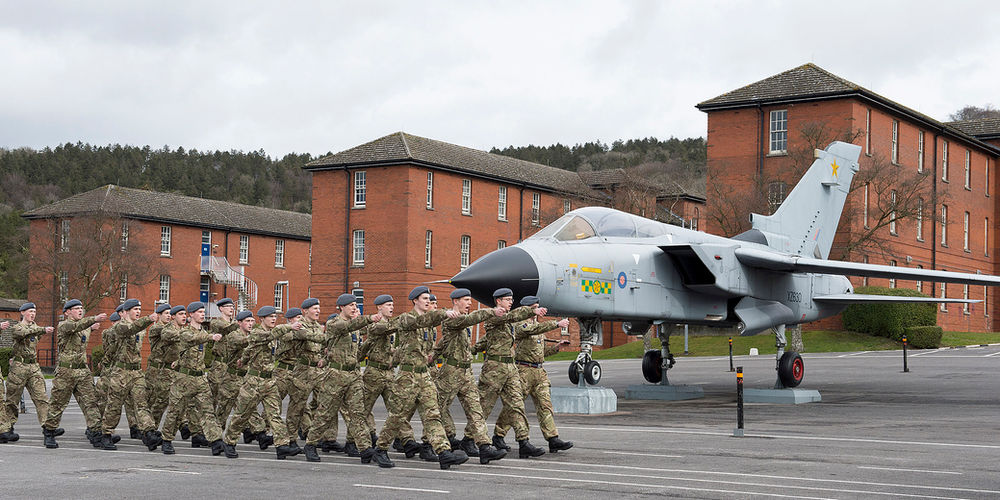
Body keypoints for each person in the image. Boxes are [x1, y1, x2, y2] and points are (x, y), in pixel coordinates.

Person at [372, 286, 466, 469]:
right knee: (398, 416)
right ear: (415, 300)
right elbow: (426, 319)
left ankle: (443, 452)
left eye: (429, 299)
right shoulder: (407, 318)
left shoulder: (428, 323)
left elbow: (429, 321)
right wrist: (445, 313)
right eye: (424, 298)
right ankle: (380, 449)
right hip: (408, 376)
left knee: (433, 415)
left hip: (424, 375)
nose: (427, 301)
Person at [302, 294, 381, 463]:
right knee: (325, 413)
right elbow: (348, 326)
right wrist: (369, 318)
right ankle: (310, 444)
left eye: (356, 305)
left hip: (353, 375)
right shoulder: (334, 323)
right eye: (351, 305)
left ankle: (365, 448)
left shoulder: (356, 327)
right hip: (335, 376)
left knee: (358, 413)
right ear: (341, 307)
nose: (354, 308)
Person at [433, 288, 507, 463]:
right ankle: (436, 442)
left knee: (476, 410)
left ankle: (484, 446)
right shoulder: (450, 319)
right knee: (438, 408)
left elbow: (446, 342)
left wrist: (435, 352)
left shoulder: (463, 323)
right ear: (456, 301)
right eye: (466, 300)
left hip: (466, 372)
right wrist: (491, 311)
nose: (469, 303)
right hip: (451, 372)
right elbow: (472, 318)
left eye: (470, 300)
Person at [494, 295, 574, 453]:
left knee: (545, 406)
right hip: (523, 371)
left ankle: (552, 438)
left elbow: (542, 352)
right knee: (514, 407)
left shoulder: (538, 326)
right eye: (533, 308)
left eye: (537, 308)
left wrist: (557, 347)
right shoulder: (520, 324)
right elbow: (530, 330)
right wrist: (556, 324)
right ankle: (499, 435)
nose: (537, 311)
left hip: (539, 371)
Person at [220, 308, 302, 460]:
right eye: (270, 317)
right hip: (253, 382)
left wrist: (243, 360)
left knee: (275, 414)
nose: (273, 319)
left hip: (269, 382)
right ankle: (229, 442)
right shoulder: (258, 333)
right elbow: (267, 336)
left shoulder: (271, 337)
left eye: (275, 316)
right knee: (241, 415)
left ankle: (282, 445)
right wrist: (289, 327)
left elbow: (250, 349)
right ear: (262, 319)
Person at [474, 288, 546, 458]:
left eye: (511, 299)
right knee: (484, 406)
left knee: (517, 404)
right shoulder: (494, 316)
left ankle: (524, 442)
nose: (510, 302)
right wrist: (531, 310)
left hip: (510, 368)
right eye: (507, 299)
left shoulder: (509, 320)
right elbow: (511, 316)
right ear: (498, 301)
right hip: (494, 368)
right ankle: (470, 439)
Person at [158, 302, 224, 455]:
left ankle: (216, 441)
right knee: (175, 411)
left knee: (207, 411)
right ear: (191, 314)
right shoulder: (185, 332)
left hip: (200, 378)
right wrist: (210, 337)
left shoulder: (203, 331)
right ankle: (167, 440)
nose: (202, 314)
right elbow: (193, 338)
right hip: (183, 378)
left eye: (203, 312)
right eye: (199, 312)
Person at [97, 298, 162, 451]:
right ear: (125, 312)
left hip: (136, 371)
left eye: (139, 309)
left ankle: (148, 433)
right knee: (114, 405)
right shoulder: (119, 327)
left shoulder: (140, 328)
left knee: (141, 404)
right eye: (135, 309)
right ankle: (106, 434)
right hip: (120, 372)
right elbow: (129, 330)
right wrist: (148, 319)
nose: (138, 312)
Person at [43, 299, 107, 448]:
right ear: (67, 312)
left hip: (82, 371)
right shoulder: (64, 325)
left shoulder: (84, 326)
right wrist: (94, 320)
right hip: (66, 371)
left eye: (81, 308)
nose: (80, 311)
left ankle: (96, 433)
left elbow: (82, 331)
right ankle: (50, 432)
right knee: (58, 403)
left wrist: (92, 328)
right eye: (76, 308)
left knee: (91, 402)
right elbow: (76, 327)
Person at [0, 303, 54, 444]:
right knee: (12, 400)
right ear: (23, 312)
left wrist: (39, 330)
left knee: (41, 397)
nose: (33, 314)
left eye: (35, 311)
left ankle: (48, 429)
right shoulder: (17, 327)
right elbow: (22, 333)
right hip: (19, 367)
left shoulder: (35, 328)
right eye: (30, 311)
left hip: (33, 366)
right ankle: (8, 428)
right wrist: (42, 329)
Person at [358, 295, 398, 452]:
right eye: (388, 305)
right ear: (379, 307)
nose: (391, 307)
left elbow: (388, 348)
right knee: (364, 408)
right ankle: (354, 439)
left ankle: (404, 439)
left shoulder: (390, 325)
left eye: (392, 304)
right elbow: (382, 330)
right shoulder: (376, 325)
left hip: (389, 373)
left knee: (396, 408)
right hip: (374, 373)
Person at [285, 298, 324, 442]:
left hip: (318, 371)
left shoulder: (319, 327)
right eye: (315, 309)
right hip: (303, 370)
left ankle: (320, 436)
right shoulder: (299, 326)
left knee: (325, 402)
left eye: (319, 309)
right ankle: (290, 439)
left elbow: (321, 350)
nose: (318, 311)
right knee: (297, 406)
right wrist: (329, 337)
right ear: (305, 311)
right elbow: (306, 336)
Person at [146, 303, 173, 427]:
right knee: (151, 399)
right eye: (166, 313)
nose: (169, 316)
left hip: (166, 371)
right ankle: (146, 426)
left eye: (170, 313)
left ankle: (152, 426)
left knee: (163, 400)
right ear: (159, 315)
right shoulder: (155, 328)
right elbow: (165, 332)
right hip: (155, 370)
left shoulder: (171, 329)